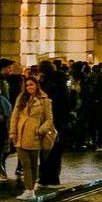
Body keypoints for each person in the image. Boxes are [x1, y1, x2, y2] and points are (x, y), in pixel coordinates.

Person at [9, 74, 54, 200]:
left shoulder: (44, 100)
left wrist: (40, 130)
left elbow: (49, 119)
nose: (29, 87)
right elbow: (15, 116)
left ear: (36, 85)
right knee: (26, 164)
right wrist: (12, 132)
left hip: (35, 135)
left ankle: (31, 189)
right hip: (21, 134)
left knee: (34, 164)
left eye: (32, 84)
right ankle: (28, 189)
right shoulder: (21, 97)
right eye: (27, 85)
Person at [36, 59, 69, 188]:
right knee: (55, 148)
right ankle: (53, 179)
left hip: (45, 120)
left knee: (45, 148)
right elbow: (65, 101)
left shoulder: (43, 83)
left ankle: (44, 177)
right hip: (57, 119)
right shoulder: (59, 81)